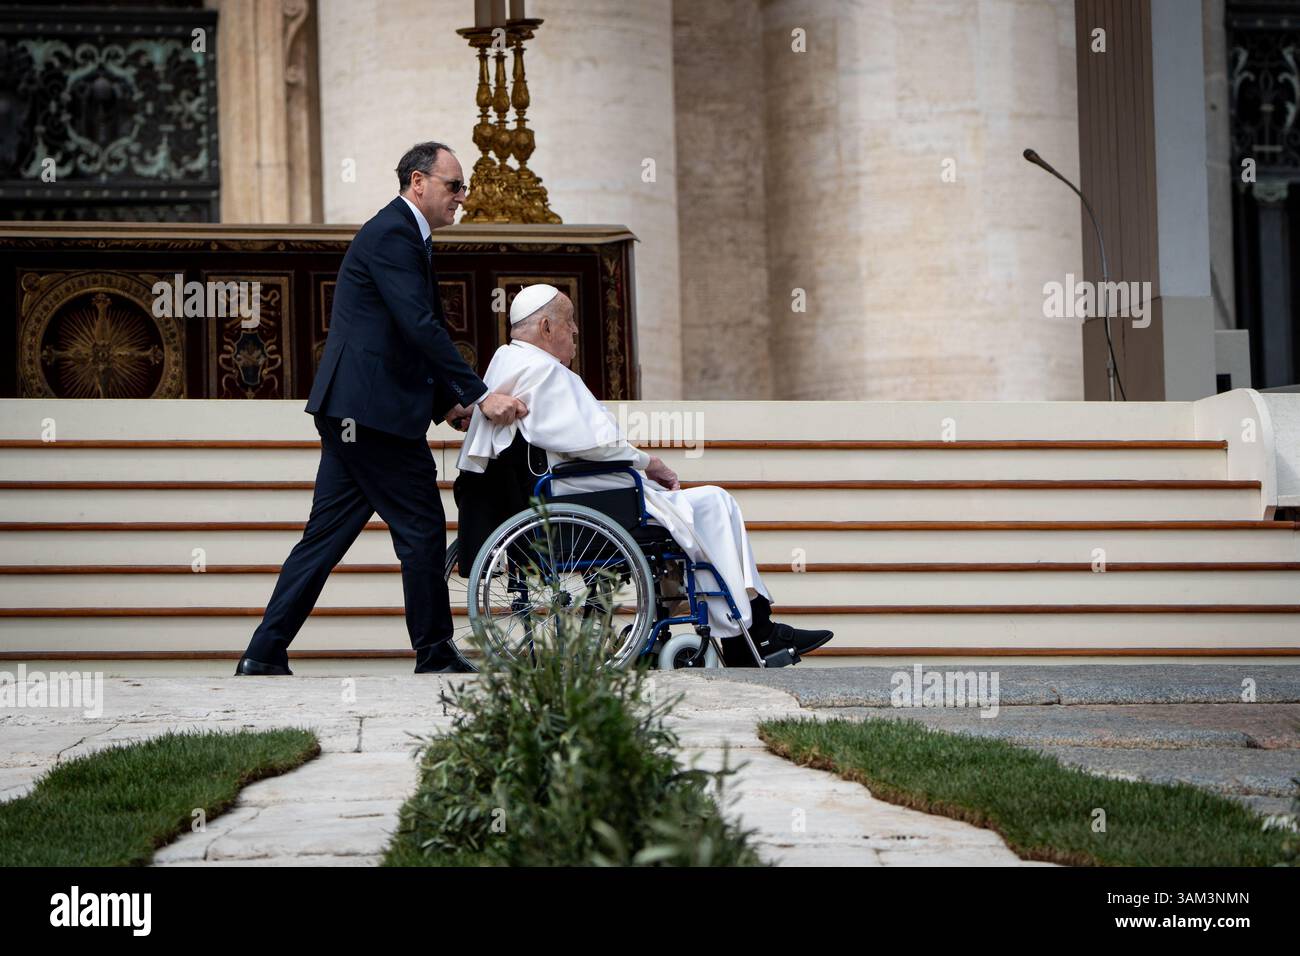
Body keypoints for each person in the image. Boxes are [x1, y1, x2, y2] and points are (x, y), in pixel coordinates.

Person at [235, 141, 527, 676]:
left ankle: (263, 652)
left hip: (357, 413)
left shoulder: (404, 234)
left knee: (324, 540)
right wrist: (480, 395)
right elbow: (419, 326)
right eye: (453, 185)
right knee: (419, 526)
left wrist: (449, 406)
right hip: (372, 419)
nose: (462, 197)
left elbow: (399, 334)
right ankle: (435, 652)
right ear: (419, 182)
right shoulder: (395, 233)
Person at [454, 284, 833, 666]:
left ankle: (751, 628)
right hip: (586, 499)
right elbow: (597, 445)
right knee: (716, 501)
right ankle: (752, 632)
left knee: (705, 508)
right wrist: (650, 463)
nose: (576, 332)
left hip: (568, 495)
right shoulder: (544, 371)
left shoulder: (508, 363)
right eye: (570, 322)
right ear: (547, 327)